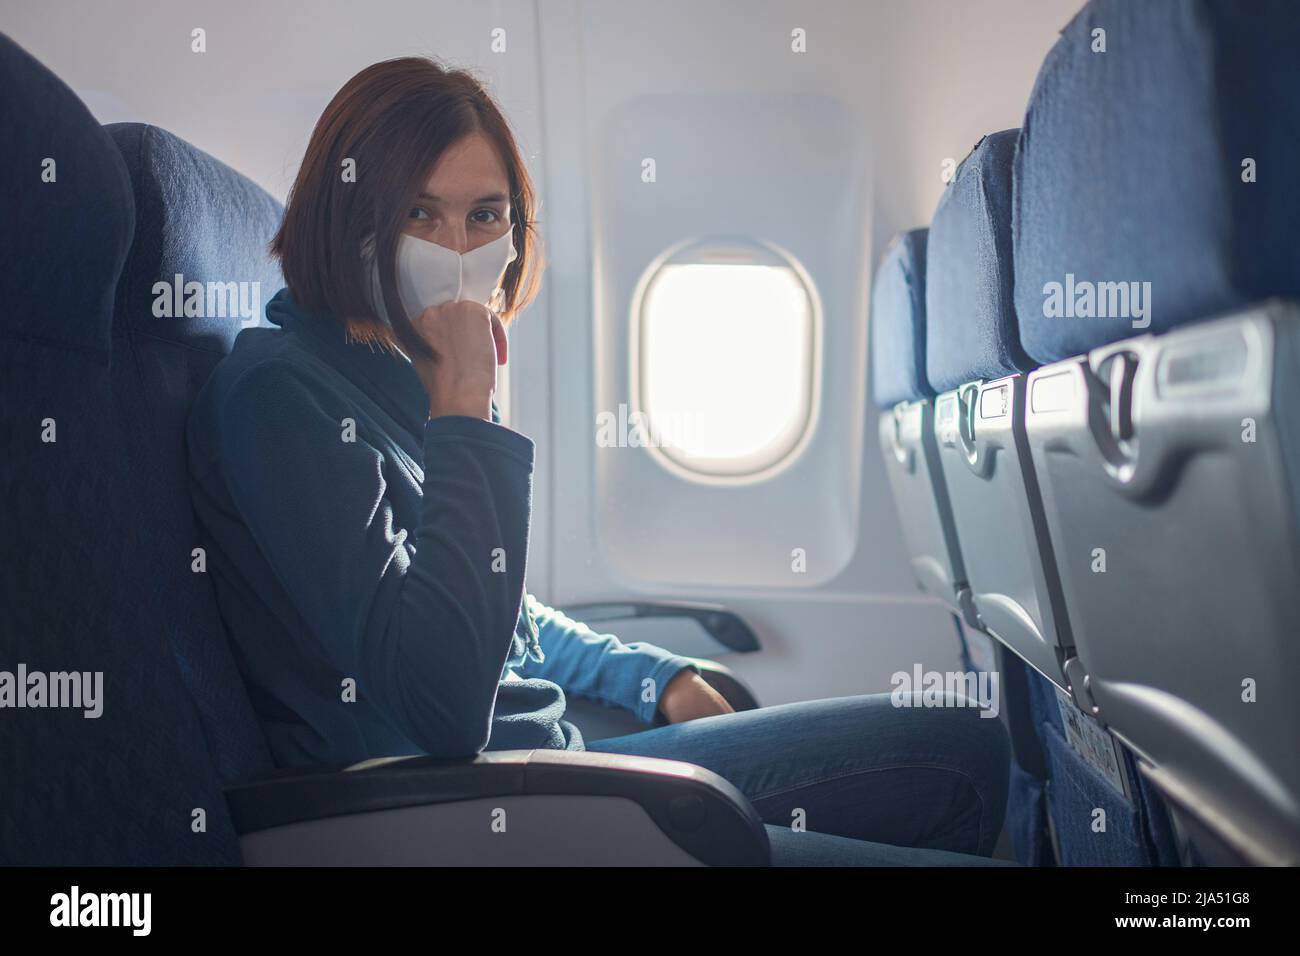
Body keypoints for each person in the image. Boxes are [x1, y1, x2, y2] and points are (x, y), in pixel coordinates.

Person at [186, 56, 1011, 866]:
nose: (456, 250)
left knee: (962, 749)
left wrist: (649, 675)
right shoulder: (284, 400)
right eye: (419, 215)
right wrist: (467, 409)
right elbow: (440, 704)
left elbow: (503, 615)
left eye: (485, 215)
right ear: (349, 218)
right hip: (452, 812)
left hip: (542, 775)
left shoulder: (402, 373)